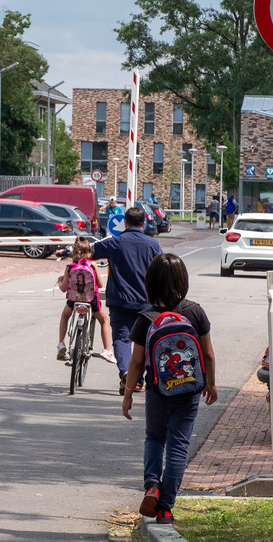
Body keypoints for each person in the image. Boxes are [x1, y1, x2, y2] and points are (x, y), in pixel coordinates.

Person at [121, 253, 217, 524]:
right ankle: (165, 509)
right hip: (188, 392)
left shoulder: (145, 317)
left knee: (154, 439)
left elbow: (137, 361)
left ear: (149, 283)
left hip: (157, 392)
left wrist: (128, 394)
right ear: (183, 280)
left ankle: (151, 485)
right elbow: (208, 354)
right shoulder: (195, 311)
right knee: (178, 447)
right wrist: (210, 383)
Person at [91, 205, 163, 393]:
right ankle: (138, 379)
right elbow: (162, 269)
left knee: (122, 340)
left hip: (121, 301)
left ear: (125, 223)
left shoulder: (114, 242)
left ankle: (125, 373)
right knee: (147, 340)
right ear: (144, 223)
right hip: (147, 303)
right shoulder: (153, 245)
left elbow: (89, 252)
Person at [56, 238, 116, 364]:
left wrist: (60, 280)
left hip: (73, 300)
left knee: (64, 316)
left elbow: (63, 288)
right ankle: (107, 350)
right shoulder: (92, 265)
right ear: (89, 252)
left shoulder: (69, 267)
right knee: (104, 320)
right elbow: (99, 285)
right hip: (92, 301)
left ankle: (61, 344)